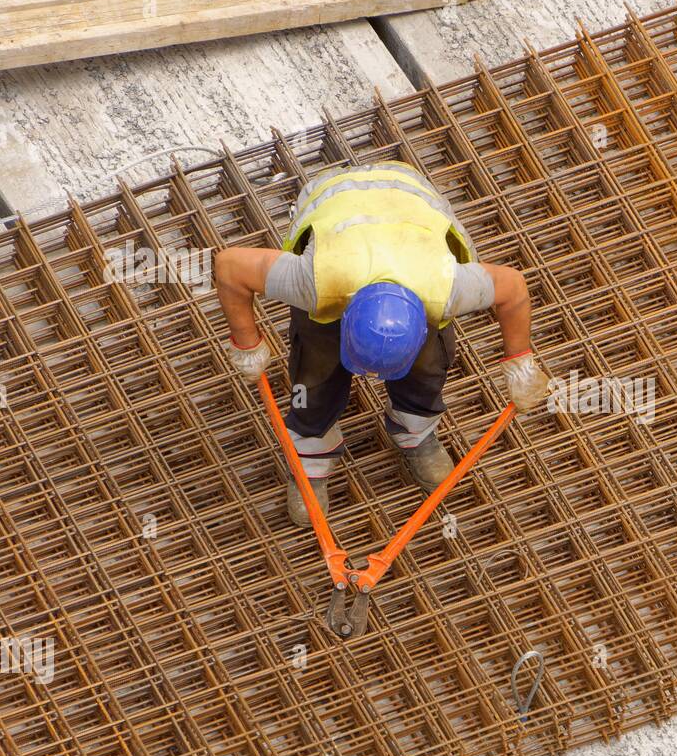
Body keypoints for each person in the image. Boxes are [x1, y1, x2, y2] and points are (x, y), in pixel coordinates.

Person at [214, 162, 549, 525]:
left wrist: (520, 363)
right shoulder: (314, 281)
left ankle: (414, 430)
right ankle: (310, 454)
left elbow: (513, 288)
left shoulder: (447, 287)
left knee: (429, 364)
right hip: (336, 215)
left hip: (409, 203)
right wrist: (246, 343)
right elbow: (230, 265)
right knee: (313, 371)